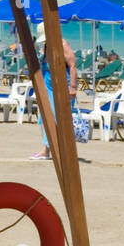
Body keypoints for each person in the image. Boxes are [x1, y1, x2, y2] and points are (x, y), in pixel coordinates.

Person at [30, 22, 77, 162]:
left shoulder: (63, 45)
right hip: (48, 86)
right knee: (45, 117)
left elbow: (73, 65)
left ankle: (50, 150)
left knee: (57, 118)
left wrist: (73, 87)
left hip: (62, 86)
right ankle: (48, 149)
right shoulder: (45, 45)